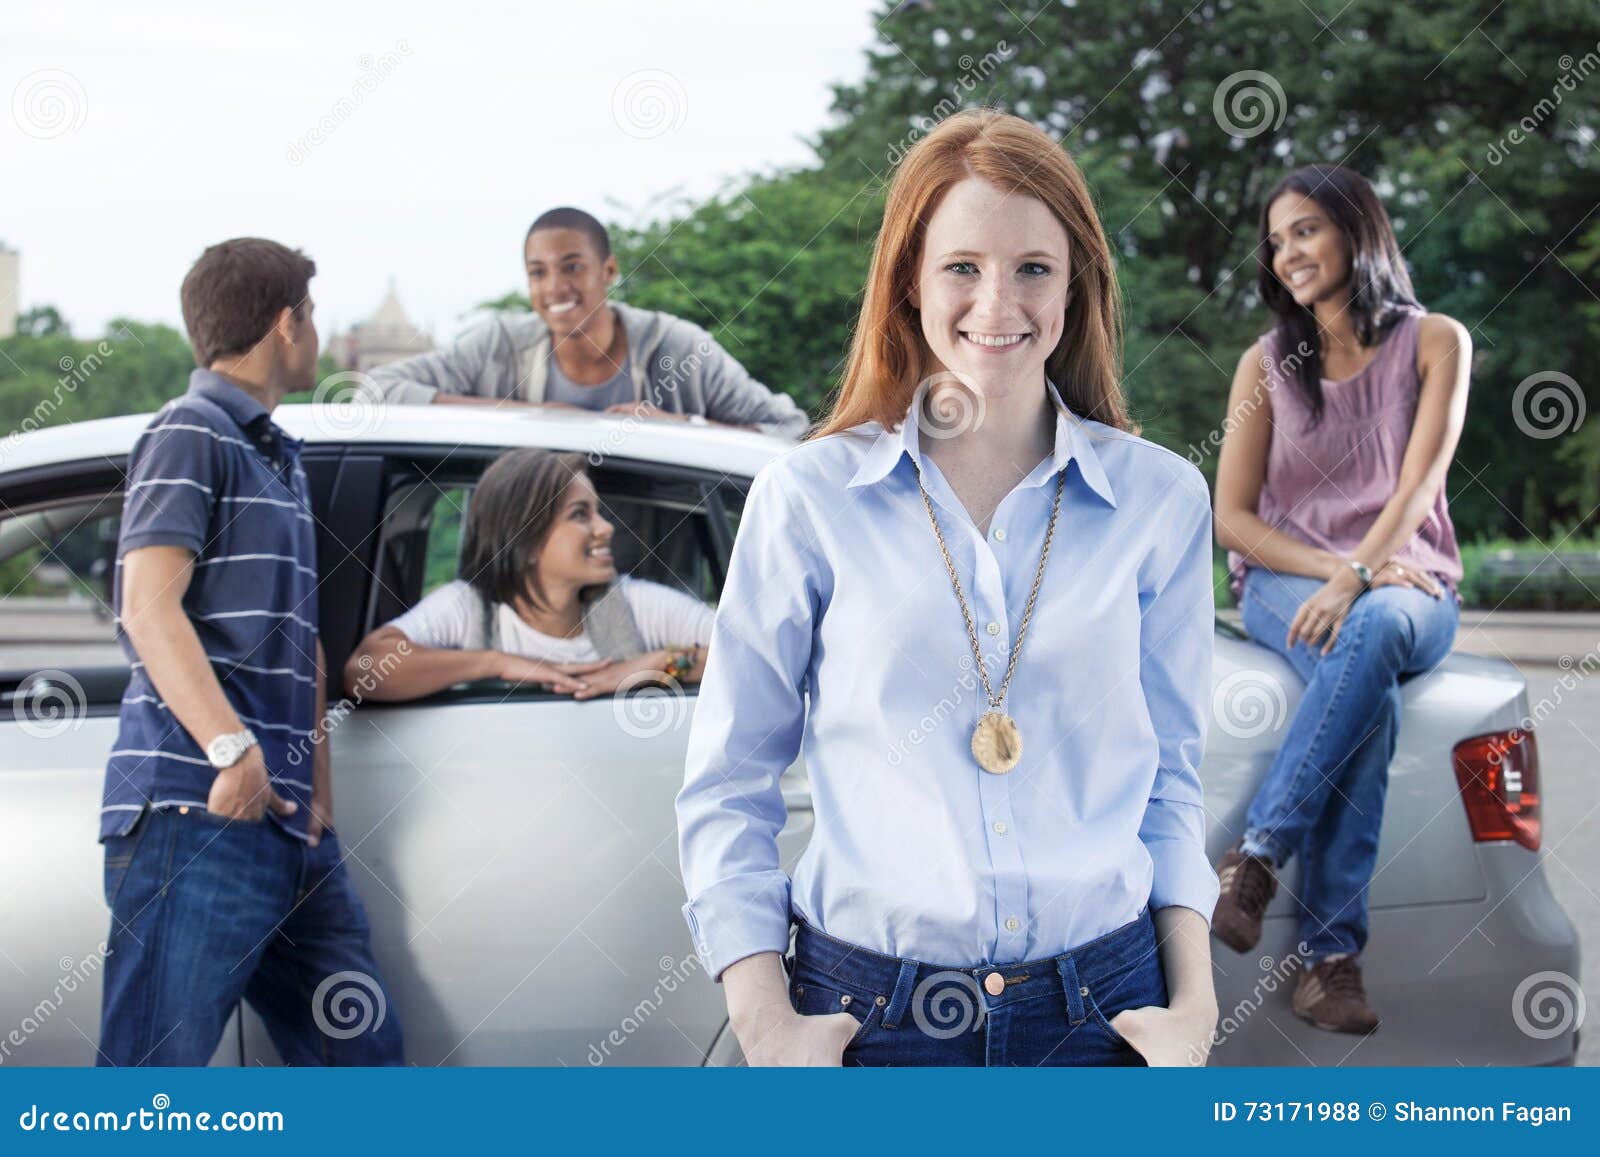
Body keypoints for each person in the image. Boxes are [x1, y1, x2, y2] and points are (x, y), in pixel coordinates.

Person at [675, 110, 1221, 1068]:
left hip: (1111, 1017)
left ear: (1077, 281)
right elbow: (729, 781)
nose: (997, 301)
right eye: (962, 266)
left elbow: (1171, 775)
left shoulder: (1163, 498)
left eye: (1034, 268)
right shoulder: (806, 498)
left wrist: (1197, 1009)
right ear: (910, 283)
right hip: (867, 1018)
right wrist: (766, 1024)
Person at [99, 238, 403, 1066]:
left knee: (362, 1060)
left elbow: (299, 646)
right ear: (285, 322)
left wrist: (318, 800)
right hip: (196, 812)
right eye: (312, 316)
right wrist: (233, 752)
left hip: (288, 826)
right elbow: (149, 607)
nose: (315, 333)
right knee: (149, 1081)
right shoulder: (188, 432)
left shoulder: (279, 455)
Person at [1211, 164, 1471, 1035]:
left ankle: (1258, 851)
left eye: (1307, 230)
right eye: (1277, 239)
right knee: (1371, 686)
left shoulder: (1437, 341)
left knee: (1377, 631)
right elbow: (1232, 519)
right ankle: (1329, 960)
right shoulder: (1264, 362)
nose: (1288, 253)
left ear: (1358, 232)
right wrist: (1336, 567)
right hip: (1287, 579)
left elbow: (1420, 482)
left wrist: (1362, 568)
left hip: (1409, 577)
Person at [368, 207, 810, 439]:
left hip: (655, 585)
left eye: (573, 267)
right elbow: (375, 390)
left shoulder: (679, 350)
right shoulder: (499, 347)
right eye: (538, 272)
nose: (555, 288)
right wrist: (532, 416)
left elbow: (791, 430)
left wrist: (686, 429)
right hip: (530, 588)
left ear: (609, 272)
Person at [346, 448, 713, 701]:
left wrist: (656, 663)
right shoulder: (468, 607)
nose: (606, 528)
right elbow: (363, 672)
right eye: (580, 515)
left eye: (597, 512)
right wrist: (496, 663)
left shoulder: (634, 603)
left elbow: (750, 651)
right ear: (527, 539)